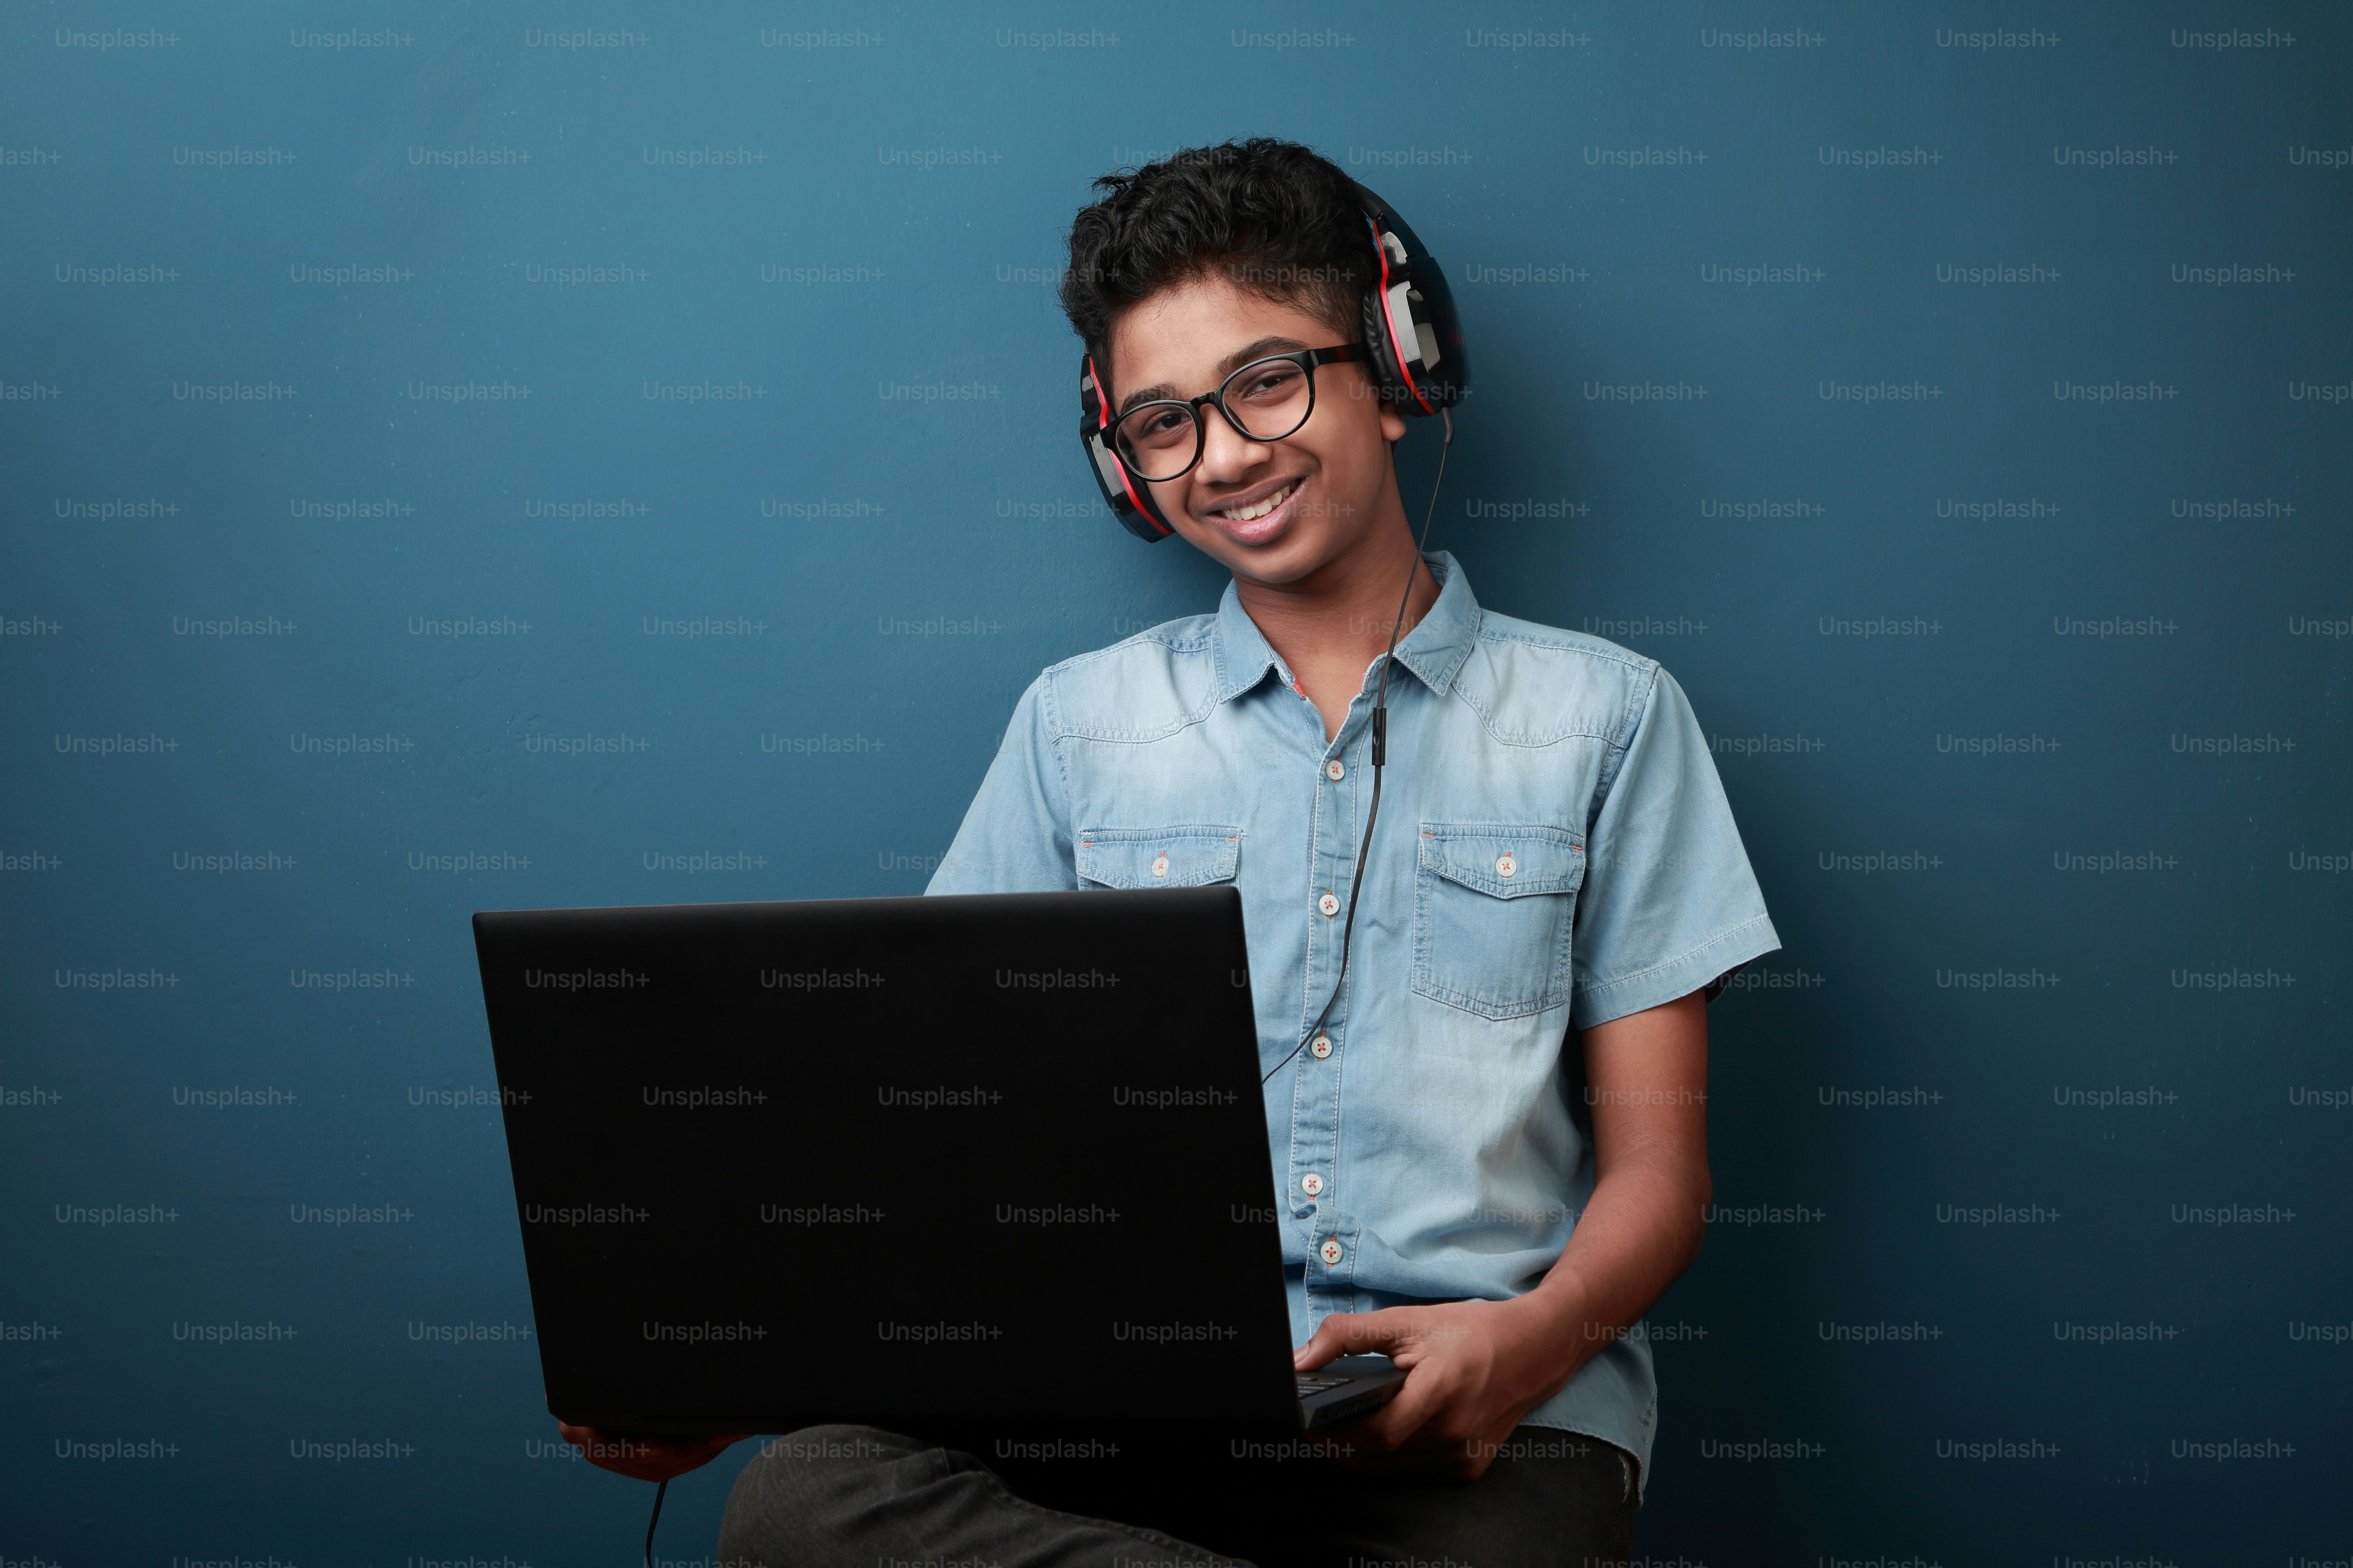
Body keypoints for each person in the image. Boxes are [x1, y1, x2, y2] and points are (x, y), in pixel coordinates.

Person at [563, 136, 1780, 1568]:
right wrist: (740, 1369)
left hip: (1490, 1425)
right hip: (1129, 1415)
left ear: (1398, 369)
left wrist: (1524, 1344)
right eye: (1163, 422)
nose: (1225, 456)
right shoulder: (1075, 727)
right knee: (798, 1502)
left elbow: (1662, 1174)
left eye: (1266, 382)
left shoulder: (1611, 716)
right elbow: (933, 1136)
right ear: (1123, 464)